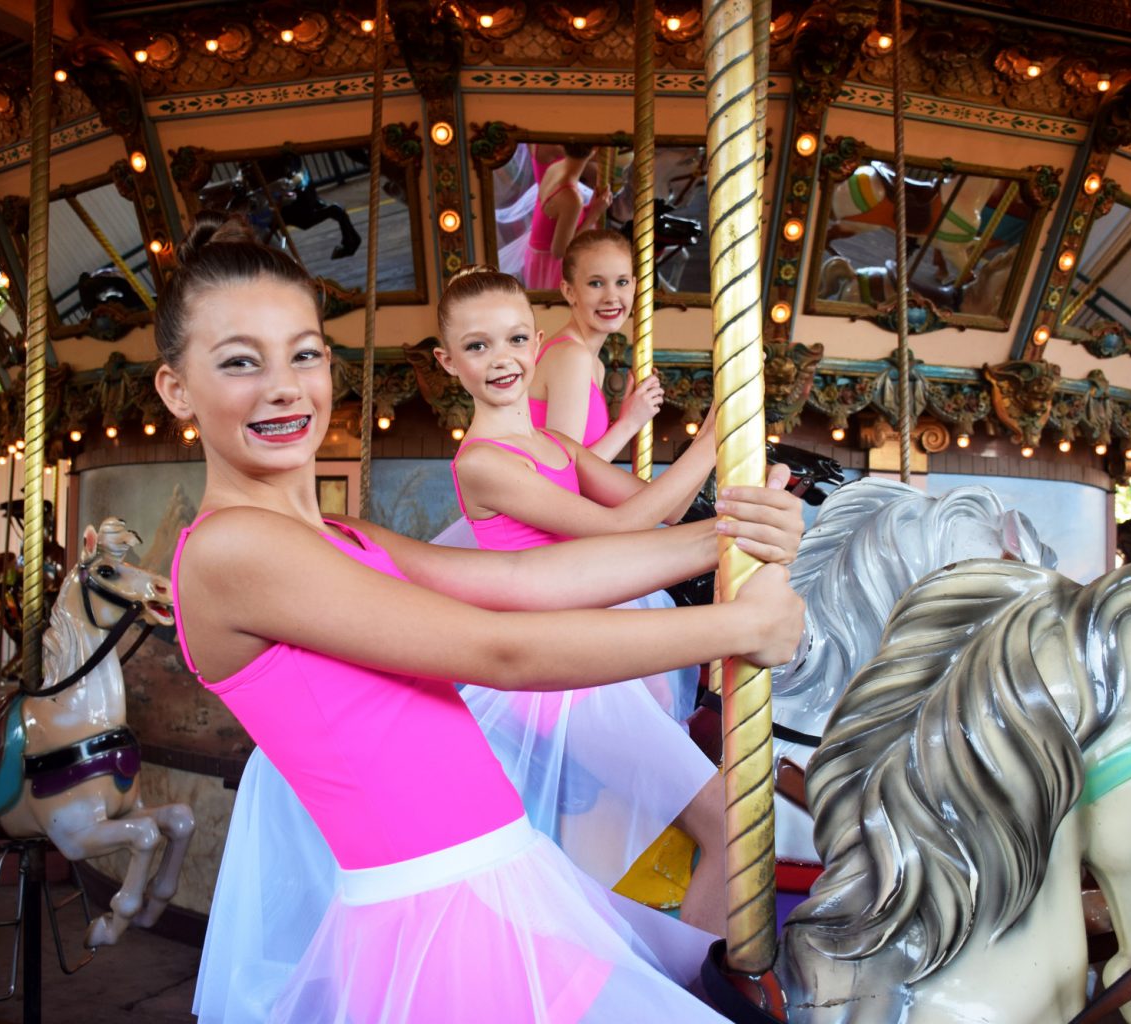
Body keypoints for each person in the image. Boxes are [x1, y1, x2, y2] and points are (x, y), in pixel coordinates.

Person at [157, 211, 806, 1023]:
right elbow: (501, 648)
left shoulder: (340, 536)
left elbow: (525, 580)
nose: (285, 387)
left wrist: (724, 536)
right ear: (176, 388)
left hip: (499, 881)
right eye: (240, 363)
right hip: (444, 921)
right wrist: (738, 629)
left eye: (306, 354)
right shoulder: (235, 550)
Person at [435, 266, 724, 931]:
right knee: (732, 827)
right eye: (477, 347)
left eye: (512, 340)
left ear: (536, 342)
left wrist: (708, 447)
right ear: (448, 362)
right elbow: (619, 531)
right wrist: (708, 440)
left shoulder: (556, 445)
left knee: (632, 849)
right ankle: (695, 996)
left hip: (594, 654)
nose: (501, 359)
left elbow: (658, 513)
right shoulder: (482, 462)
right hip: (554, 672)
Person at [532, 229, 666, 465]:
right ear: (569, 291)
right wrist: (630, 422)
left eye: (622, 282)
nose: (611, 296)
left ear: (634, 286)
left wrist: (628, 415)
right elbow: (564, 472)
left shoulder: (595, 364)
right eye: (596, 283)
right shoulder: (571, 356)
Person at [524, 143, 611, 290]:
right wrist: (594, 215)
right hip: (551, 268)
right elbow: (559, 252)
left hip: (538, 256)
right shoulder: (572, 198)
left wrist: (589, 208)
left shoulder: (555, 168)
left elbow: (559, 214)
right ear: (596, 150)